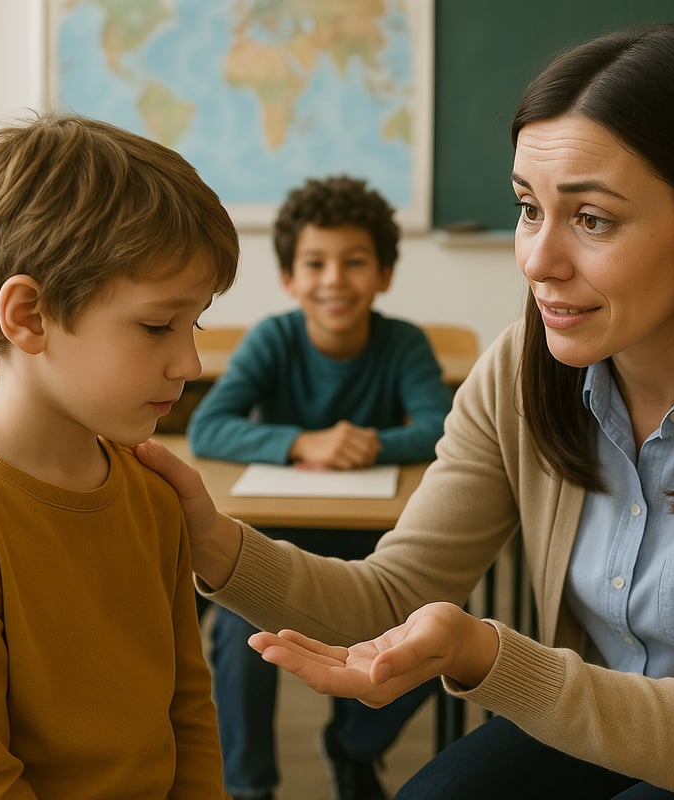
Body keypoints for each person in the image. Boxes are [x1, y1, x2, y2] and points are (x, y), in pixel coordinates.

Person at [136, 22, 674, 799]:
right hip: (617, 722)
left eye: (592, 219)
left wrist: (487, 652)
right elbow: (392, 592)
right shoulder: (523, 370)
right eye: (529, 207)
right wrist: (214, 545)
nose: (538, 260)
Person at [0, 114, 238, 798]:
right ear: (30, 317)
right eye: (158, 325)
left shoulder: (151, 493)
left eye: (195, 323)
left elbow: (187, 709)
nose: (188, 359)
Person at [188, 175, 452, 800]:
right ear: (289, 278)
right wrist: (301, 443)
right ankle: (249, 785)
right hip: (273, 536)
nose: (334, 279)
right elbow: (208, 426)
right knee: (237, 626)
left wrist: (368, 443)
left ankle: (353, 745)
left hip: (375, 543)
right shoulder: (274, 339)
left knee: (430, 624)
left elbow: (443, 426)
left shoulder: (402, 343)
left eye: (355, 262)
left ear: (384, 274)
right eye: (315, 263)